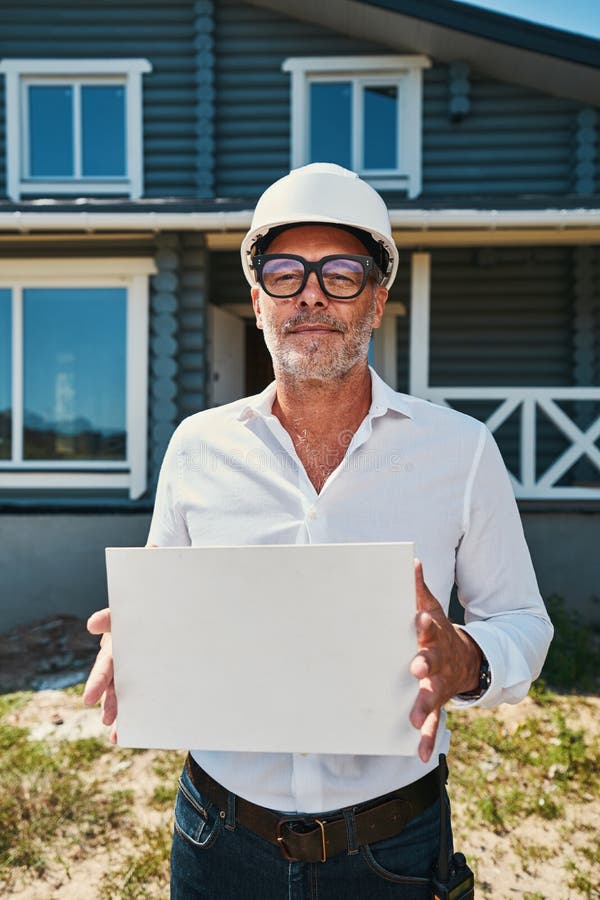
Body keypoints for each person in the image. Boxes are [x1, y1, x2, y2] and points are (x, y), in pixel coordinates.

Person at [84, 163, 553, 898]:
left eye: (339, 273)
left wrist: (468, 659)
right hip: (218, 839)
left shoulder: (461, 452)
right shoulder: (197, 447)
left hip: (393, 846)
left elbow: (523, 622)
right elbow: (164, 603)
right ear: (258, 300)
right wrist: (133, 638)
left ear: (376, 300)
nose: (309, 294)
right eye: (284, 273)